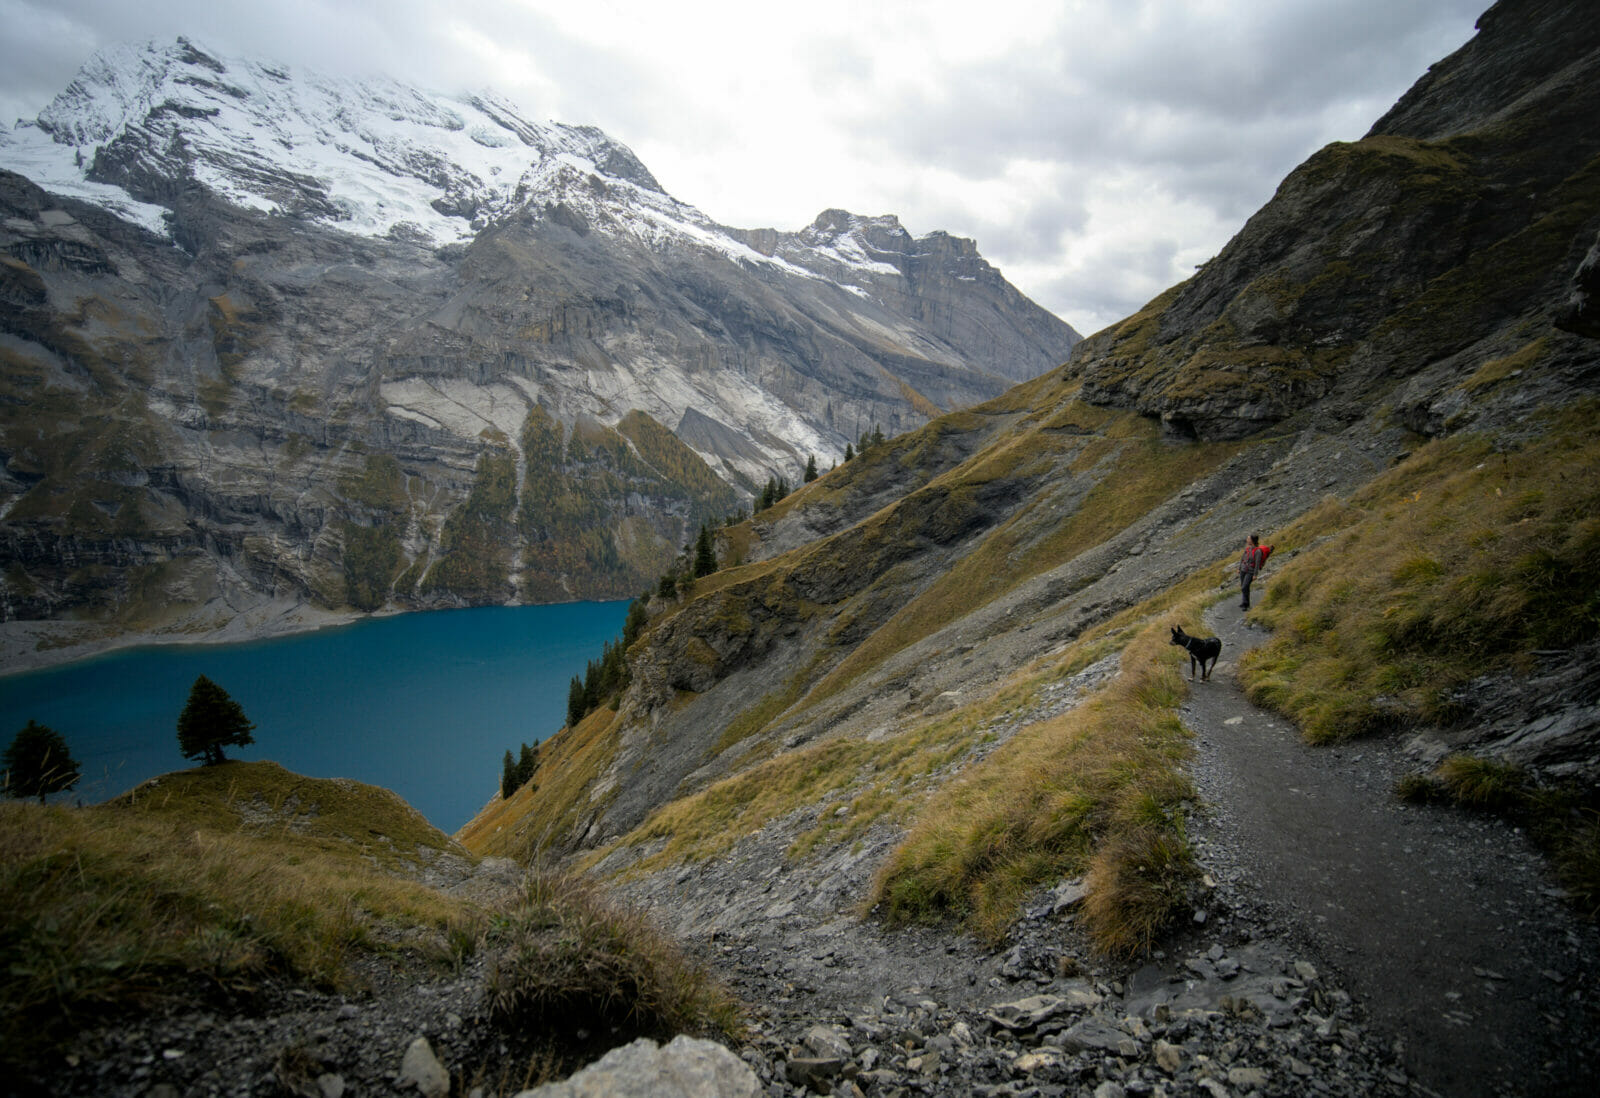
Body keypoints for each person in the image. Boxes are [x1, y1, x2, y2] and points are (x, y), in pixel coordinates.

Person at [1238, 533, 1270, 610]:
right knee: (1244, 586)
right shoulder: (1247, 549)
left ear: (1252, 540)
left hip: (1250, 571)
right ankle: (1244, 603)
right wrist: (1239, 568)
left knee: (1244, 586)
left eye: (1248, 539)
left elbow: (1257, 563)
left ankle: (1246, 605)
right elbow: (1242, 559)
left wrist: (1255, 574)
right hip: (1243, 569)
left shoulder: (1258, 551)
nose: (1247, 540)